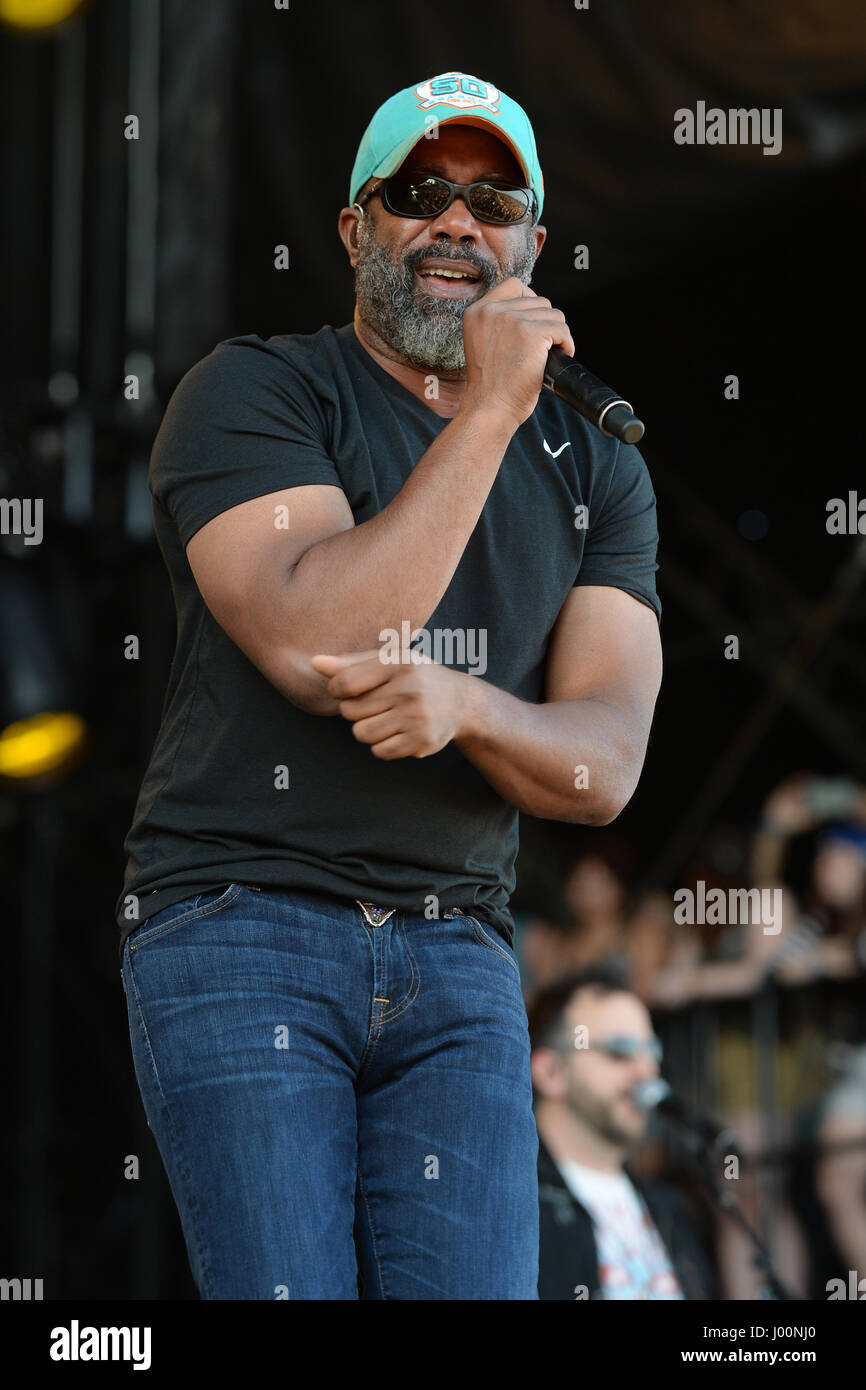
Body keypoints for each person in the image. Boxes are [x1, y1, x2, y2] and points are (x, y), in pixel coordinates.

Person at [116, 71, 663, 1300]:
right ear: (358, 229)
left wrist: (470, 706)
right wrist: (484, 414)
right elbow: (323, 639)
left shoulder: (597, 467)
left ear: (529, 241)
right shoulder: (257, 391)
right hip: (243, 920)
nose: (457, 223)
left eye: (490, 199)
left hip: (459, 949)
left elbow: (603, 764)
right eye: (420, 192)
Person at [529, 966, 716, 1299]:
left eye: (652, 1053)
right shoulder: (516, 1205)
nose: (648, 1073)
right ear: (550, 1071)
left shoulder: (670, 1208)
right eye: (620, 1052)